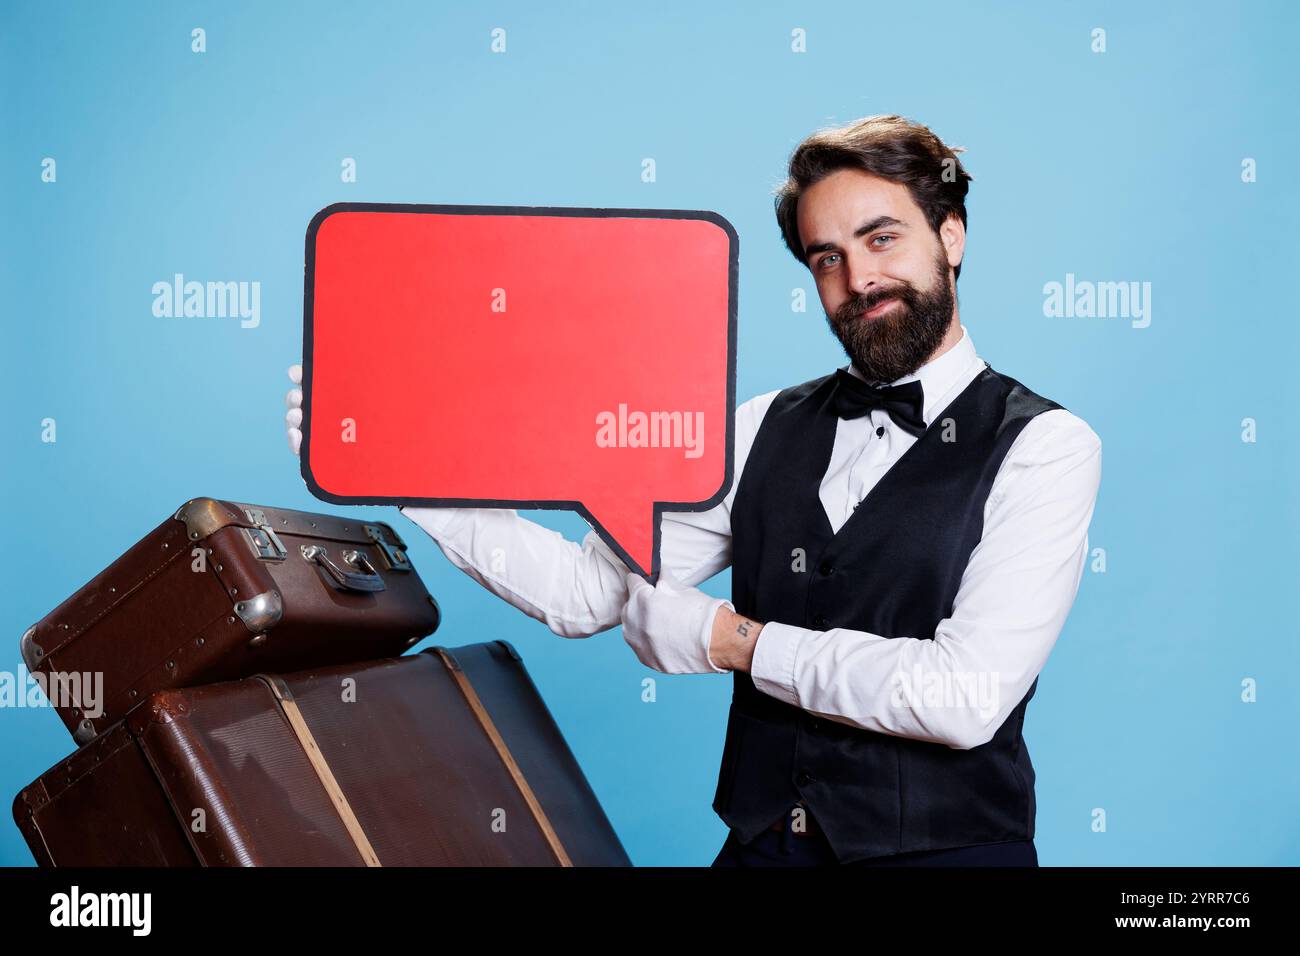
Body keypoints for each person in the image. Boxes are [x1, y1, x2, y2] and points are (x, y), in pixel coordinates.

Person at [284, 114, 1101, 867]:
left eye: (882, 238)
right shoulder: (758, 428)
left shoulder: (1045, 447)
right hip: (760, 851)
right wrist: (398, 464)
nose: (859, 278)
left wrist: (735, 642)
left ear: (950, 236)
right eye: (827, 257)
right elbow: (583, 594)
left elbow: (964, 696)